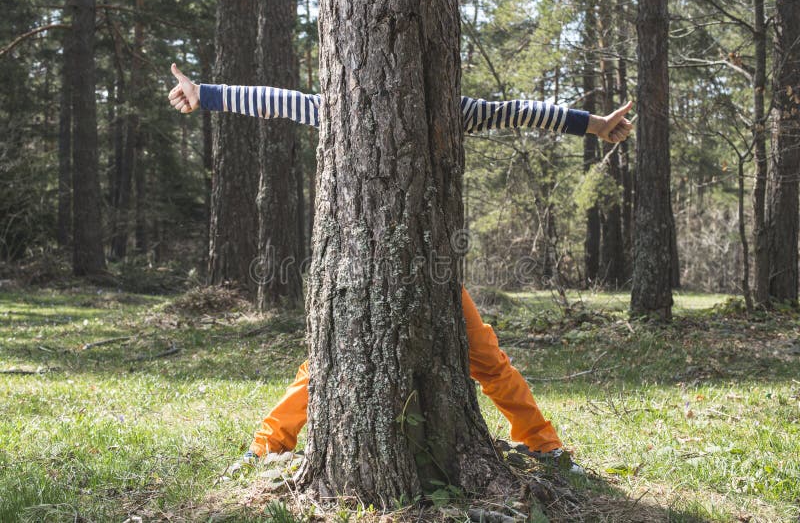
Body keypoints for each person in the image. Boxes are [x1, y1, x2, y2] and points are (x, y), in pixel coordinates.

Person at [167, 63, 633, 475]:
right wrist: (204, 94)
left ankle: (544, 445)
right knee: (334, 359)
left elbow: (518, 111)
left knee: (485, 356)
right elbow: (276, 101)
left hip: (432, 267)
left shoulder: (452, 108)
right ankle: (267, 447)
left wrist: (595, 125)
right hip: (362, 266)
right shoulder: (343, 105)